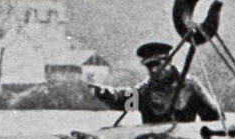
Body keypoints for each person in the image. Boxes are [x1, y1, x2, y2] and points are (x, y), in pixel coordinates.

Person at [93, 41, 221, 124]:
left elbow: (214, 118)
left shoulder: (190, 85)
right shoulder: (146, 90)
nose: (153, 69)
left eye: (157, 64)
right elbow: (120, 99)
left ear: (169, 62)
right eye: (149, 66)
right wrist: (101, 91)